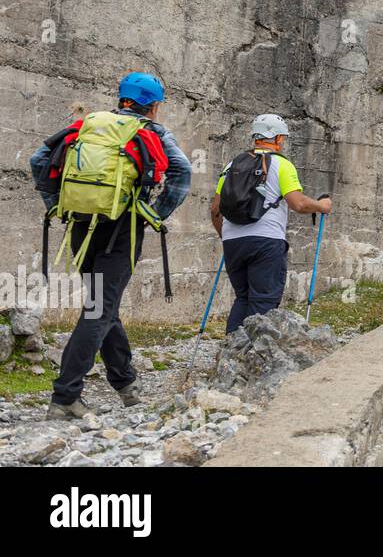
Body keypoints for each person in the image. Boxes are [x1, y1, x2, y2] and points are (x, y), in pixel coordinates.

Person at [30, 72, 192, 420]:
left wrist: (56, 205)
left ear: (123, 99)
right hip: (123, 229)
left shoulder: (88, 125)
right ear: (154, 105)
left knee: (102, 303)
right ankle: (65, 397)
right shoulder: (152, 132)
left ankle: (125, 384)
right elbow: (183, 172)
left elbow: (38, 160)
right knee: (99, 308)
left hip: (80, 226)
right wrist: (154, 214)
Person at [211, 114, 331, 332]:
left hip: (232, 243)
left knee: (243, 298)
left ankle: (232, 353)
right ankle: (251, 358)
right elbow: (299, 204)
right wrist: (322, 206)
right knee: (263, 301)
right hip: (266, 242)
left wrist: (227, 237)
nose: (283, 142)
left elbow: (215, 210)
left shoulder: (231, 165)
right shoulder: (281, 164)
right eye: (282, 137)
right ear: (276, 138)